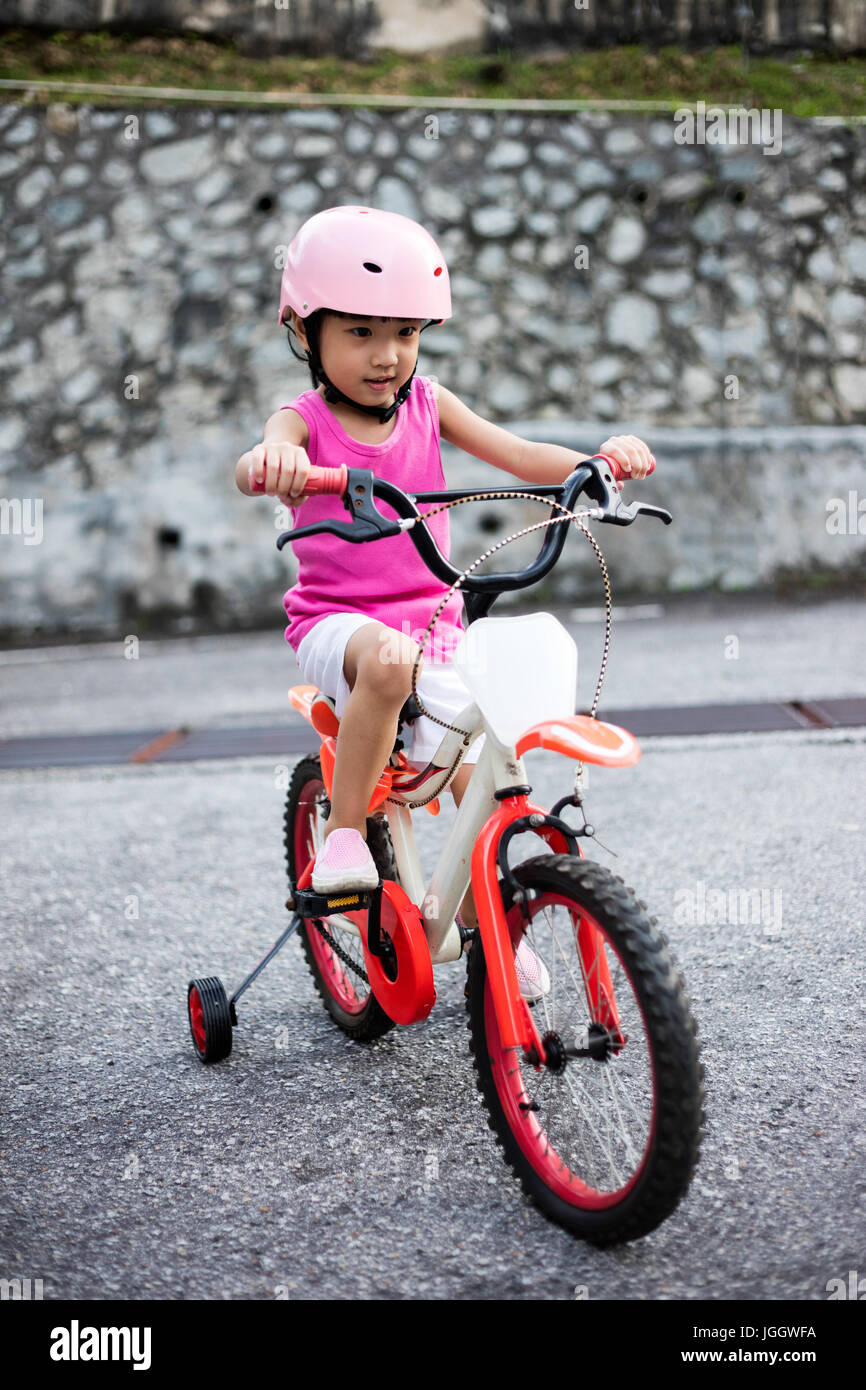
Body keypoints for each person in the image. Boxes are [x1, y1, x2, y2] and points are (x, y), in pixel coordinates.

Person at [236, 205, 653, 997]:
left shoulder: (430, 403)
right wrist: (273, 463)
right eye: (360, 332)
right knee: (388, 666)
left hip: (435, 616)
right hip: (339, 624)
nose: (387, 355)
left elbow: (520, 452)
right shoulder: (305, 418)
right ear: (305, 330)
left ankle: (488, 921)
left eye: (406, 332)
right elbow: (265, 453)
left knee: (487, 768)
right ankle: (348, 839)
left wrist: (596, 464)